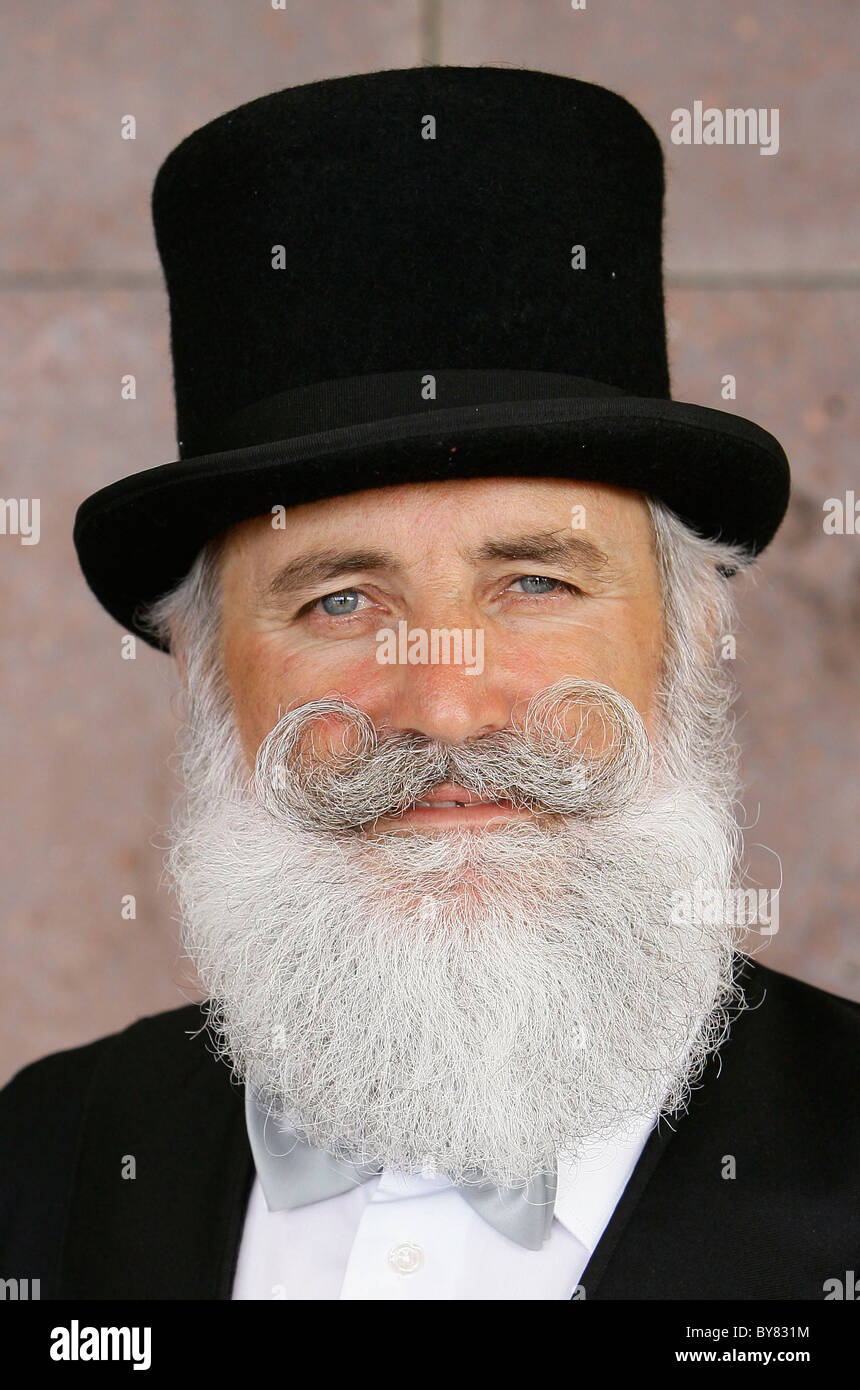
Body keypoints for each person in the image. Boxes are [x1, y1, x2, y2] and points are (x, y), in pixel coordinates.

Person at [1, 65, 857, 1301]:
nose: (446, 704)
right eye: (338, 600)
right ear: (202, 671)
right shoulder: (45, 1162)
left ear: (686, 629)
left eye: (535, 584)